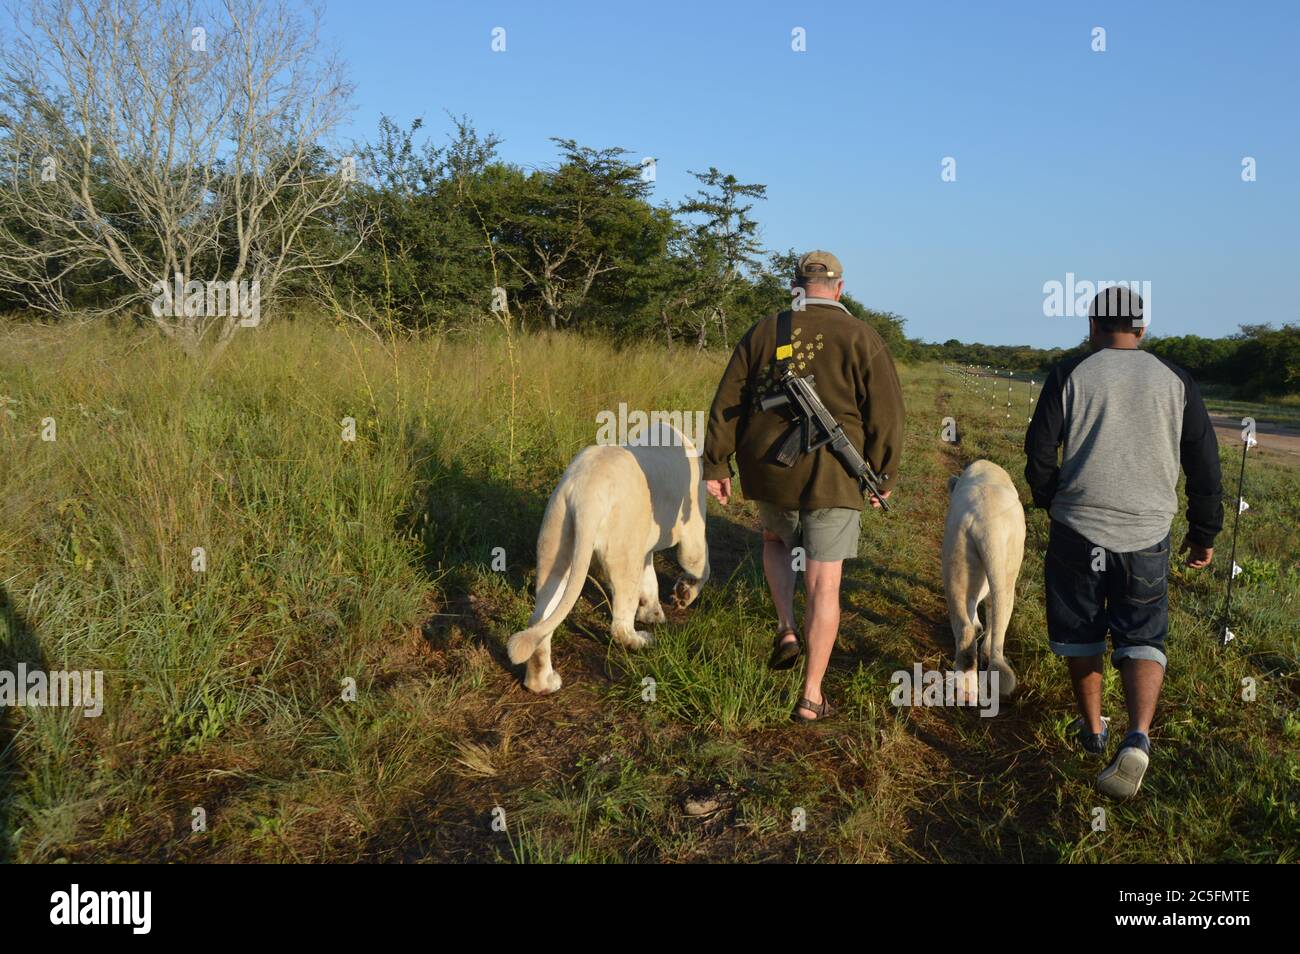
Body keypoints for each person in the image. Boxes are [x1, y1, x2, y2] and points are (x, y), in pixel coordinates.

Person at [1025, 286, 1223, 798]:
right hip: (1148, 534)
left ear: (1092, 327)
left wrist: (1052, 501)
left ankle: (1093, 732)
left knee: (1081, 633)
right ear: (1141, 328)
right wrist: (1204, 533)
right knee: (1143, 635)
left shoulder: (1070, 373)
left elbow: (1040, 450)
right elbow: (1204, 462)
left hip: (1077, 528)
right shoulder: (1176, 378)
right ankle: (1137, 736)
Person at [701, 250, 904, 722]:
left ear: (795, 284)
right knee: (824, 582)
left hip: (769, 467)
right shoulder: (862, 336)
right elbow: (887, 414)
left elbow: (728, 398)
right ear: (839, 287)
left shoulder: (766, 329)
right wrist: (884, 474)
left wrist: (717, 464)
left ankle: (787, 627)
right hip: (834, 477)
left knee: (774, 540)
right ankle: (812, 694)